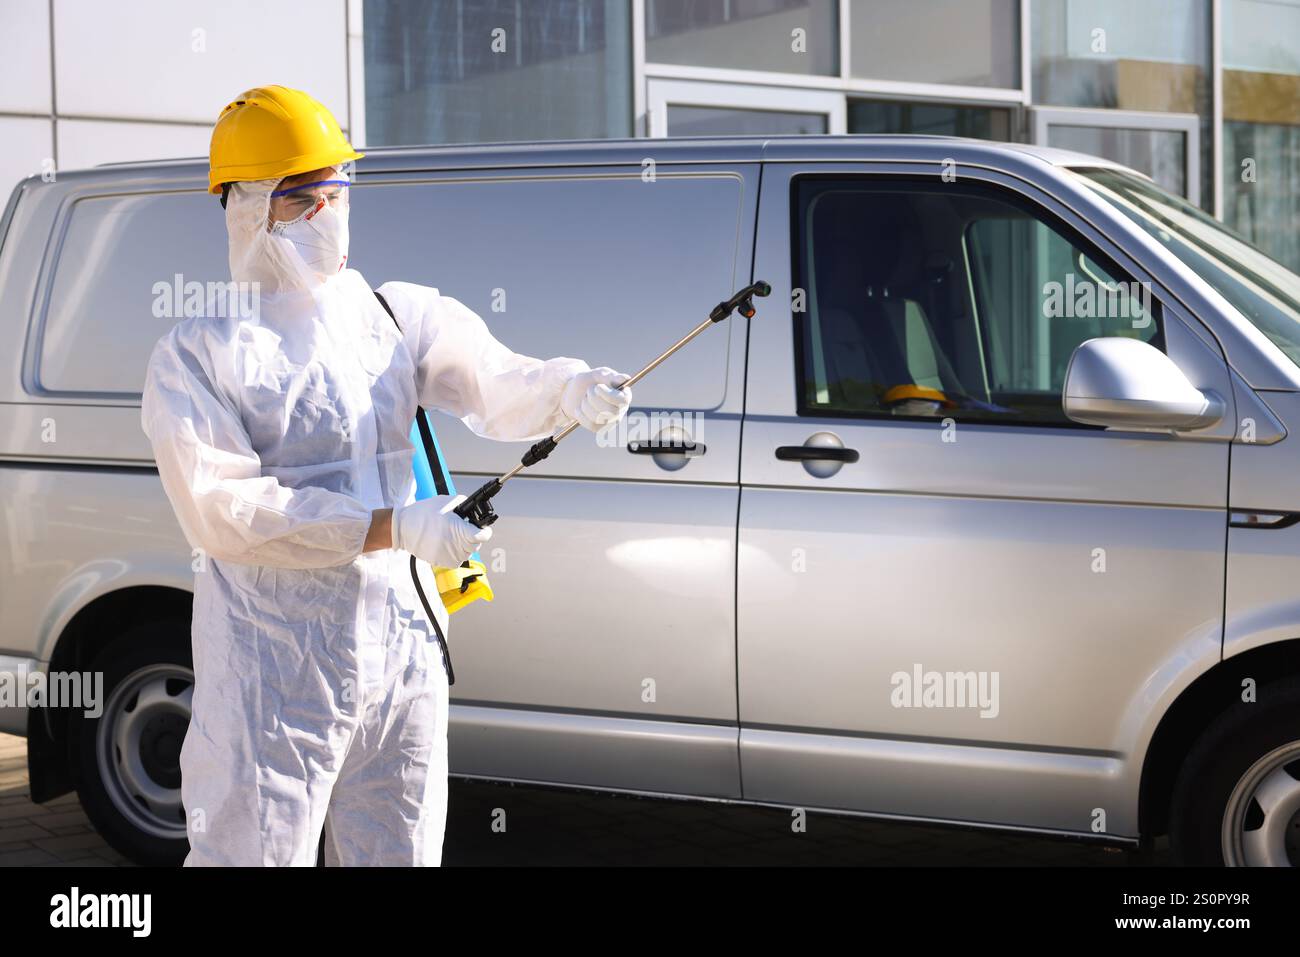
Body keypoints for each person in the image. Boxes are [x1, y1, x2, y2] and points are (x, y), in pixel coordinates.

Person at [140, 85, 632, 866]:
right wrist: (392, 527)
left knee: (400, 853)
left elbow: (495, 380)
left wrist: (568, 388)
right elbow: (223, 509)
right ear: (248, 208)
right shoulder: (199, 355)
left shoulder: (390, 314)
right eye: (305, 195)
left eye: (338, 189)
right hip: (273, 672)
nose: (329, 211)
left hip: (401, 652)